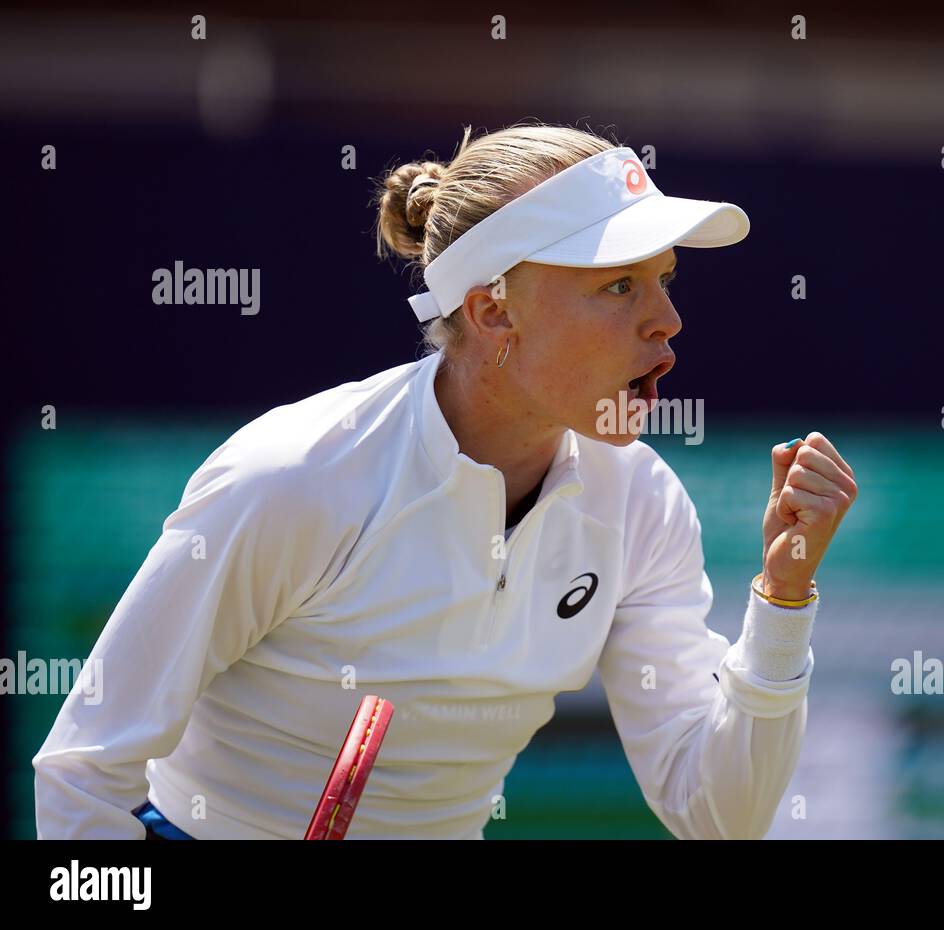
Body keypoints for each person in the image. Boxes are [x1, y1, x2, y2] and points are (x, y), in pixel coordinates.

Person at [33, 123, 857, 839]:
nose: (666, 321)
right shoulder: (293, 478)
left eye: (665, 279)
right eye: (618, 285)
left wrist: (782, 602)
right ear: (493, 311)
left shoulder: (642, 505)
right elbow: (81, 773)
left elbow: (719, 814)